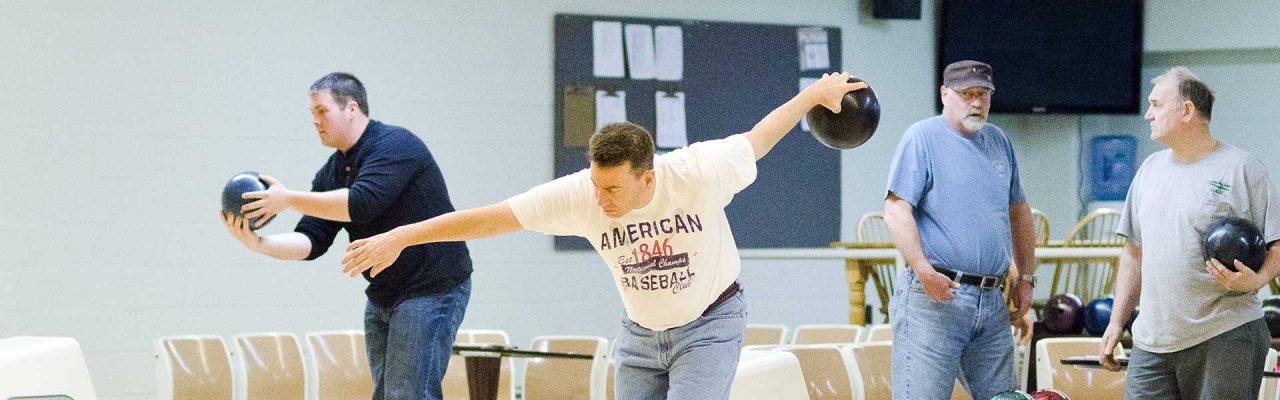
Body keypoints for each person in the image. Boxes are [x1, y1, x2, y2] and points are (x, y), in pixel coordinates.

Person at [341, 73, 867, 400]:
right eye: (597, 184)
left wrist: (813, 94)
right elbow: (491, 218)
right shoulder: (582, 194)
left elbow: (760, 138)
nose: (602, 198)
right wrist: (402, 236)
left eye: (613, 188)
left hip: (710, 321)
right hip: (640, 332)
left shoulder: (698, 171)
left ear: (648, 177)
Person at [220, 72, 473, 400]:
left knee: (408, 395)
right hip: (384, 294)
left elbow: (362, 202)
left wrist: (288, 198)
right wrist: (259, 244)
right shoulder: (333, 172)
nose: (315, 121)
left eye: (322, 111)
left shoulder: (396, 145)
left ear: (352, 109)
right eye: (312, 113)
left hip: (431, 288)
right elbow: (311, 240)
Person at [1099, 66, 1280, 399]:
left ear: (1186, 111)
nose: (1147, 114)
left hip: (1225, 333)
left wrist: (1257, 280)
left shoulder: (1242, 168)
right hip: (1151, 342)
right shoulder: (1148, 170)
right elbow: (1133, 253)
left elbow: (1277, 244)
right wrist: (1116, 322)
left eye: (1156, 105)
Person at [883, 60, 1037, 399]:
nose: (977, 102)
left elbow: (1019, 214)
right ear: (944, 94)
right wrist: (923, 271)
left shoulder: (999, 141)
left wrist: (1025, 278)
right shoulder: (922, 137)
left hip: (992, 299)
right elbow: (896, 210)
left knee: (1004, 399)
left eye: (983, 94)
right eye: (967, 94)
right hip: (935, 296)